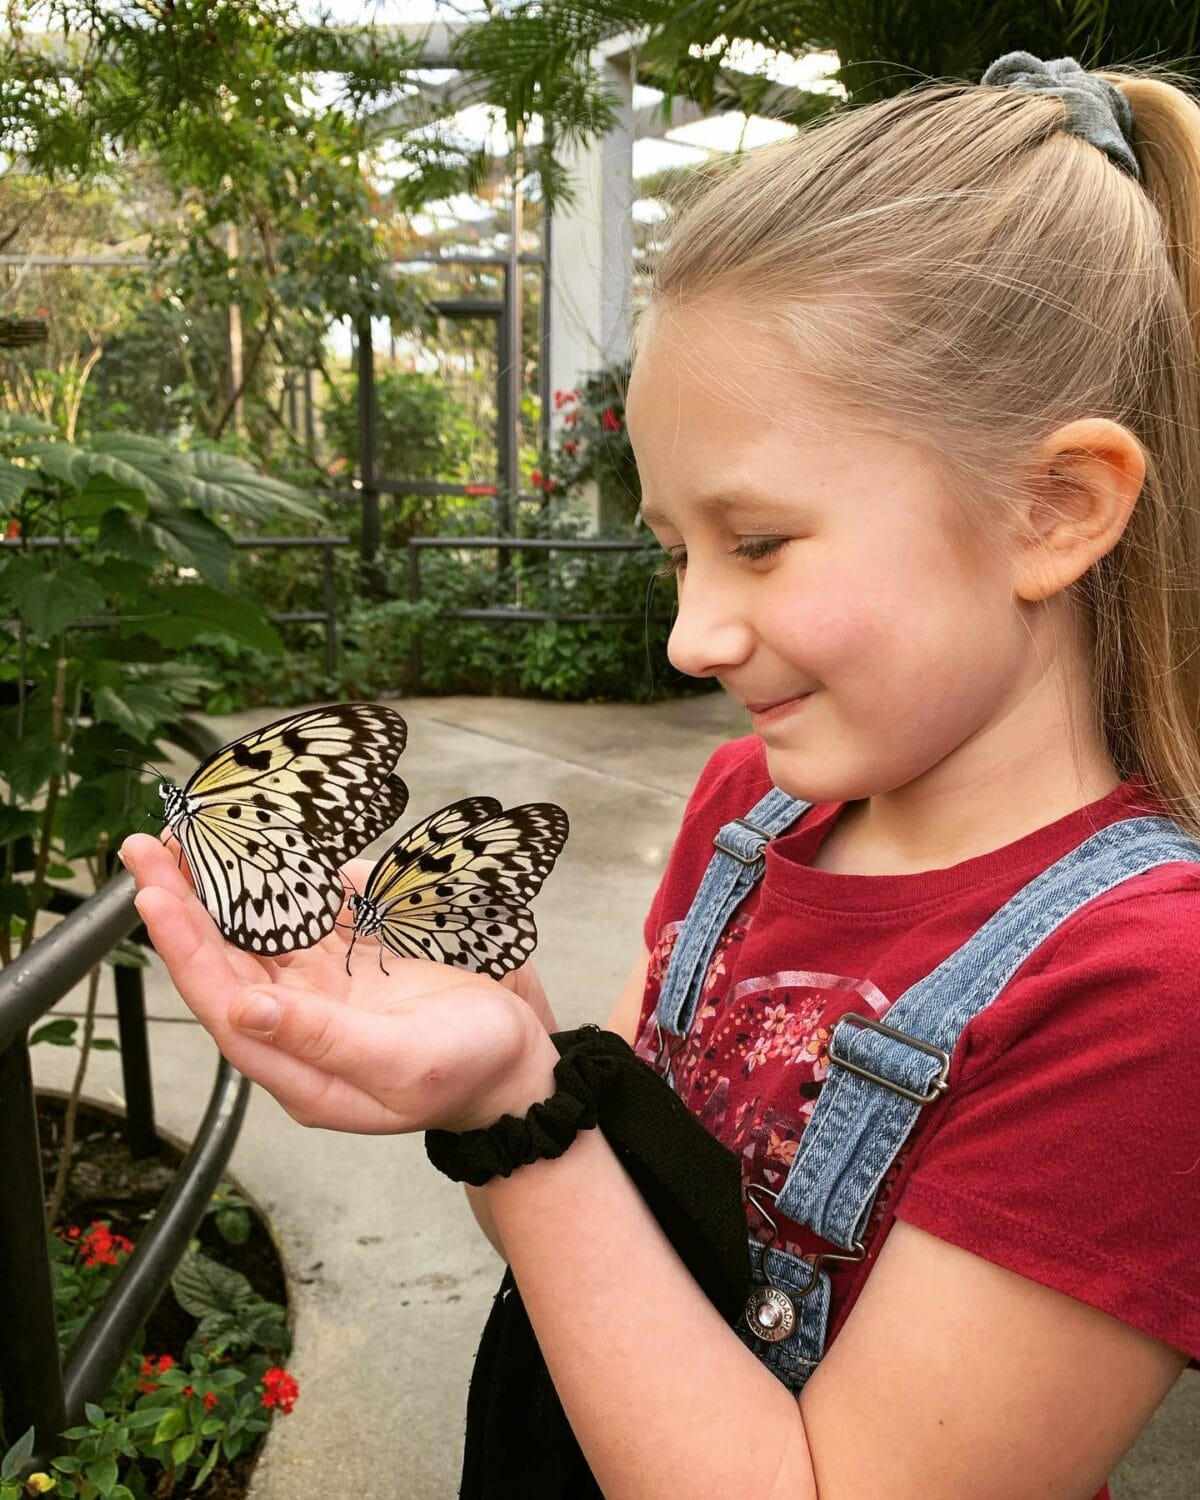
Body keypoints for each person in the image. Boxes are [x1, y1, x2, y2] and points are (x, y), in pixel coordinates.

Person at [120, 51, 1200, 1500]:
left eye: (757, 543)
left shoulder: (1146, 992)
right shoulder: (746, 817)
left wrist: (515, 1120)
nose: (694, 633)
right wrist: (507, 1067)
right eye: (675, 551)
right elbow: (627, 1248)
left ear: (1054, 510)